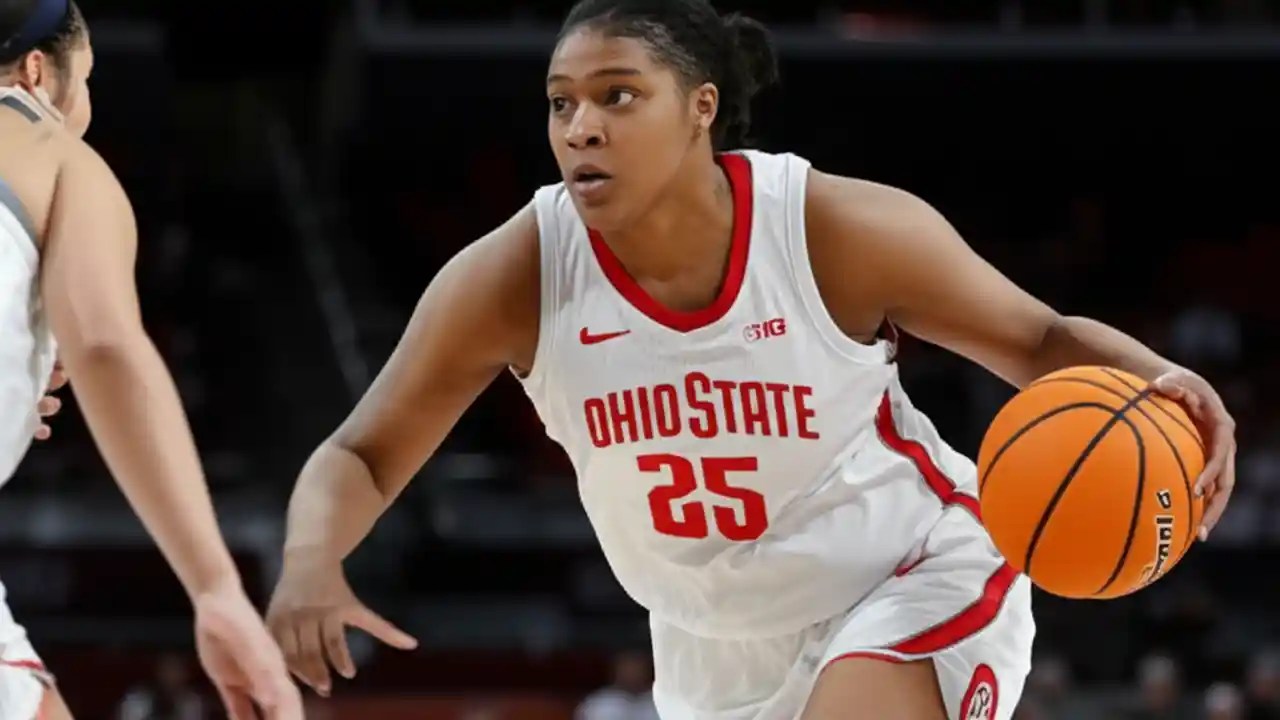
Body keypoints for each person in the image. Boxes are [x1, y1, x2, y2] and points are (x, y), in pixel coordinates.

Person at [264, 0, 1238, 718]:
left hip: (902, 573)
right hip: (705, 648)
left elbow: (1035, 340)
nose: (580, 127)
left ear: (698, 107)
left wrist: (1162, 382)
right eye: (560, 103)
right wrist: (310, 558)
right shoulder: (516, 273)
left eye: (616, 96)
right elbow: (363, 453)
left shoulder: (829, 230)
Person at [0, 0, 302, 718]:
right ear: (39, 74)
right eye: (90, 80)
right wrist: (215, 588)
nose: (90, 106)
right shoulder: (52, 149)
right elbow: (105, 344)